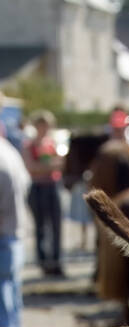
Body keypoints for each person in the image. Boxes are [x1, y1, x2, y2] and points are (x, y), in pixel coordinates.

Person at [0, 132, 30, 327]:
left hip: (3, 241)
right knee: (10, 316)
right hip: (12, 240)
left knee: (4, 320)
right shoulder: (10, 152)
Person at [23, 110, 63, 276]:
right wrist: (48, 167)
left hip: (52, 185)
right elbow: (30, 166)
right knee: (40, 225)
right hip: (38, 186)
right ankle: (43, 260)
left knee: (55, 225)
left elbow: (61, 163)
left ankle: (56, 259)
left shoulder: (53, 143)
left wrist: (45, 167)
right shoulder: (29, 145)